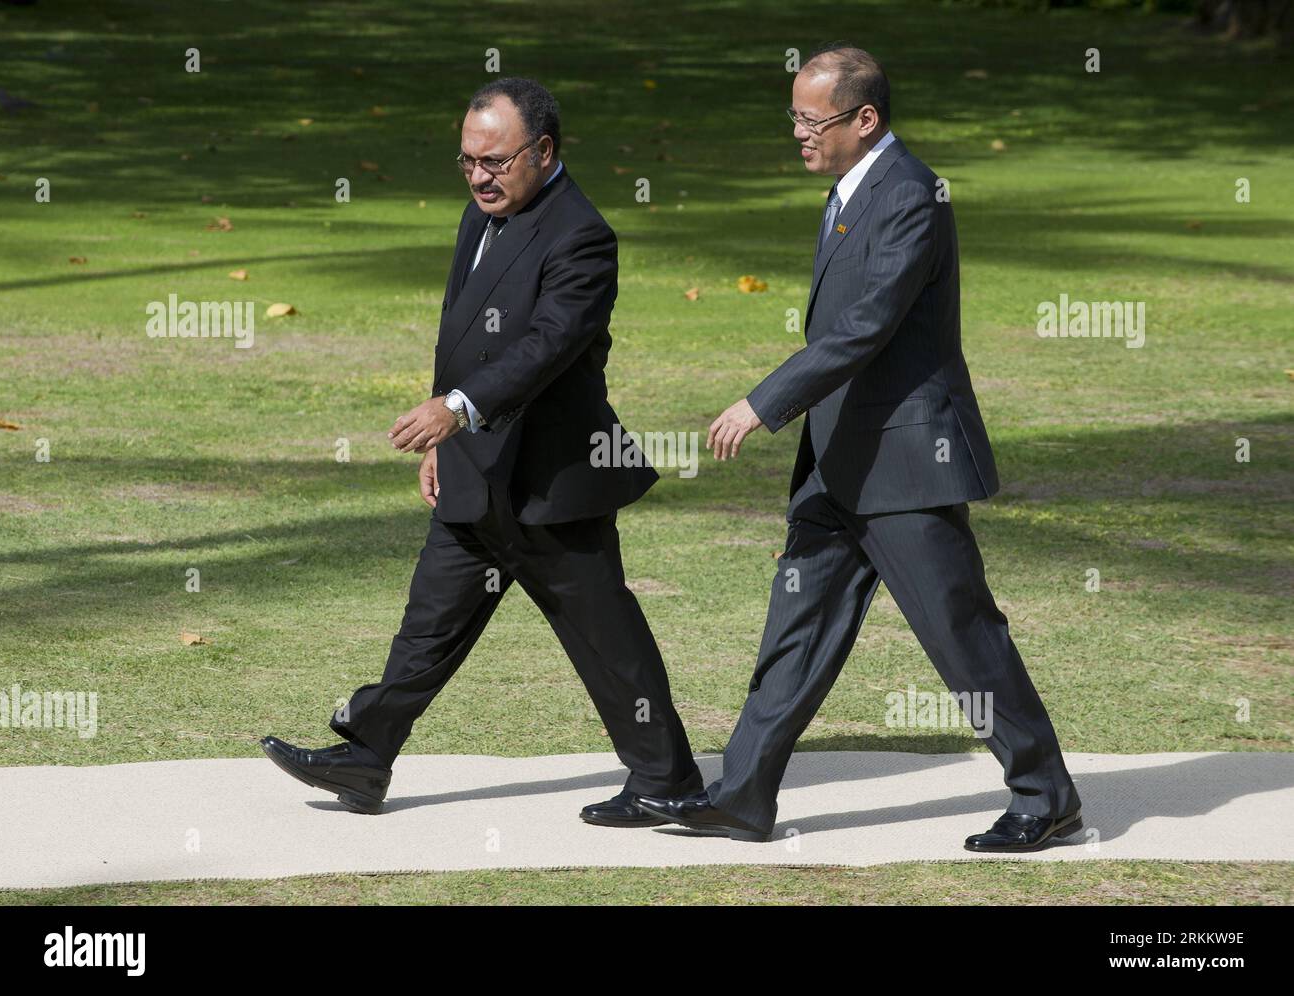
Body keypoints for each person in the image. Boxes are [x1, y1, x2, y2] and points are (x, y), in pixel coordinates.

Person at [636, 44, 1083, 852]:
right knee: (796, 629)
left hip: (904, 463)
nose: (799, 133)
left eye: (814, 120)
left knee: (961, 633)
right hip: (838, 462)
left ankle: (1046, 795)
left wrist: (764, 402)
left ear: (865, 118)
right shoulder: (850, 189)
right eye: (794, 117)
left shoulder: (910, 193)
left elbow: (867, 325)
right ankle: (742, 796)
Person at [261, 77, 703, 825]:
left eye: (494, 161)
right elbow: (462, 334)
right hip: (475, 468)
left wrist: (457, 410)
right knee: (430, 623)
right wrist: (447, 432)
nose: (478, 176)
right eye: (467, 160)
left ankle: (668, 780)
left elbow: (548, 346)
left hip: (551, 482)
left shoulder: (582, 235)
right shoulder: (480, 216)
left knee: (604, 636)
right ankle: (367, 756)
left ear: (544, 151)